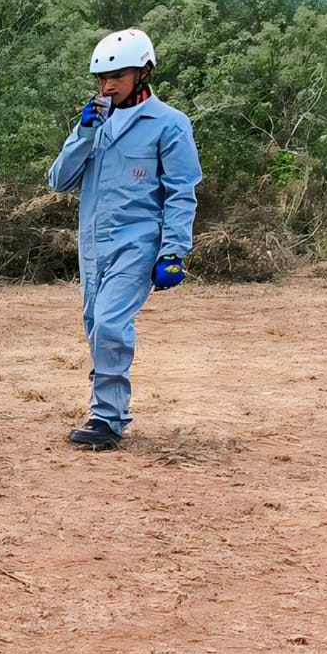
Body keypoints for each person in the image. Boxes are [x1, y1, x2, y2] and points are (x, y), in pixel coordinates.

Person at [47, 27, 202, 451]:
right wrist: (82, 134)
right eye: (101, 78)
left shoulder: (169, 124)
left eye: (117, 76)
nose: (107, 85)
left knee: (112, 323)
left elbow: (181, 192)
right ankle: (104, 408)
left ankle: (107, 419)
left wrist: (174, 250)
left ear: (144, 73)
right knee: (96, 325)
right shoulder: (95, 122)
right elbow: (59, 182)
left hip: (137, 243)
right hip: (92, 245)